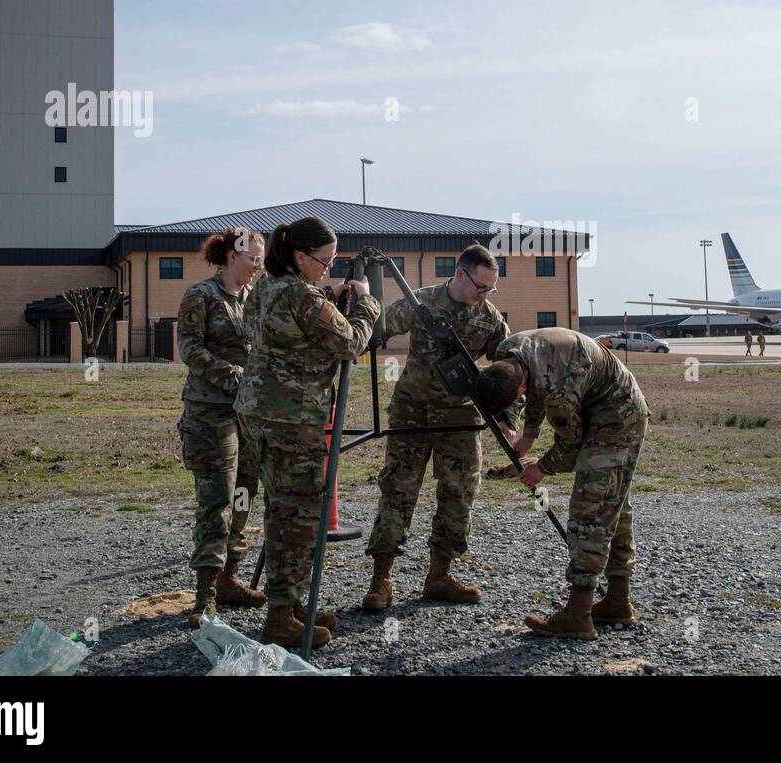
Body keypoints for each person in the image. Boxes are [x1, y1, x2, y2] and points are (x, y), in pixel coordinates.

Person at [234, 218, 379, 649]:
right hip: (292, 421)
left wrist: (329, 298)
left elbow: (268, 327)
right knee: (297, 520)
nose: (329, 269)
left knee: (283, 510)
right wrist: (366, 304)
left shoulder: (266, 286)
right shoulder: (301, 295)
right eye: (324, 261)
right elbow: (351, 342)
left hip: (258, 413)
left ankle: (295, 606)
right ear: (300, 256)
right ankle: (281, 618)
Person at [360, 244, 511, 611]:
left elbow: (509, 368)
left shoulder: (490, 318)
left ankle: (440, 576)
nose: (485, 294)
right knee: (398, 490)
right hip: (412, 412)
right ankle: (381, 581)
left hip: (460, 416)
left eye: (491, 289)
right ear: (460, 274)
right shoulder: (421, 302)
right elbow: (379, 329)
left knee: (459, 494)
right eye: (481, 286)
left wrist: (509, 416)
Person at [476, 327, 648, 641]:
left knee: (591, 507)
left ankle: (578, 616)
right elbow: (537, 387)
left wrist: (540, 469)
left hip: (617, 416)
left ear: (520, 389)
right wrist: (529, 434)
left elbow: (570, 447)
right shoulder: (510, 353)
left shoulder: (560, 390)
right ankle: (617, 603)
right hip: (593, 401)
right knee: (613, 505)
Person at [177, 227, 266, 629]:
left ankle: (231, 577)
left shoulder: (254, 299)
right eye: (253, 259)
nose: (258, 267)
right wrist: (233, 375)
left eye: (262, 261)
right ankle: (205, 594)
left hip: (247, 414)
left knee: (246, 492)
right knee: (217, 502)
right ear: (233, 256)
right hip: (210, 413)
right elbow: (189, 349)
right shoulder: (202, 295)